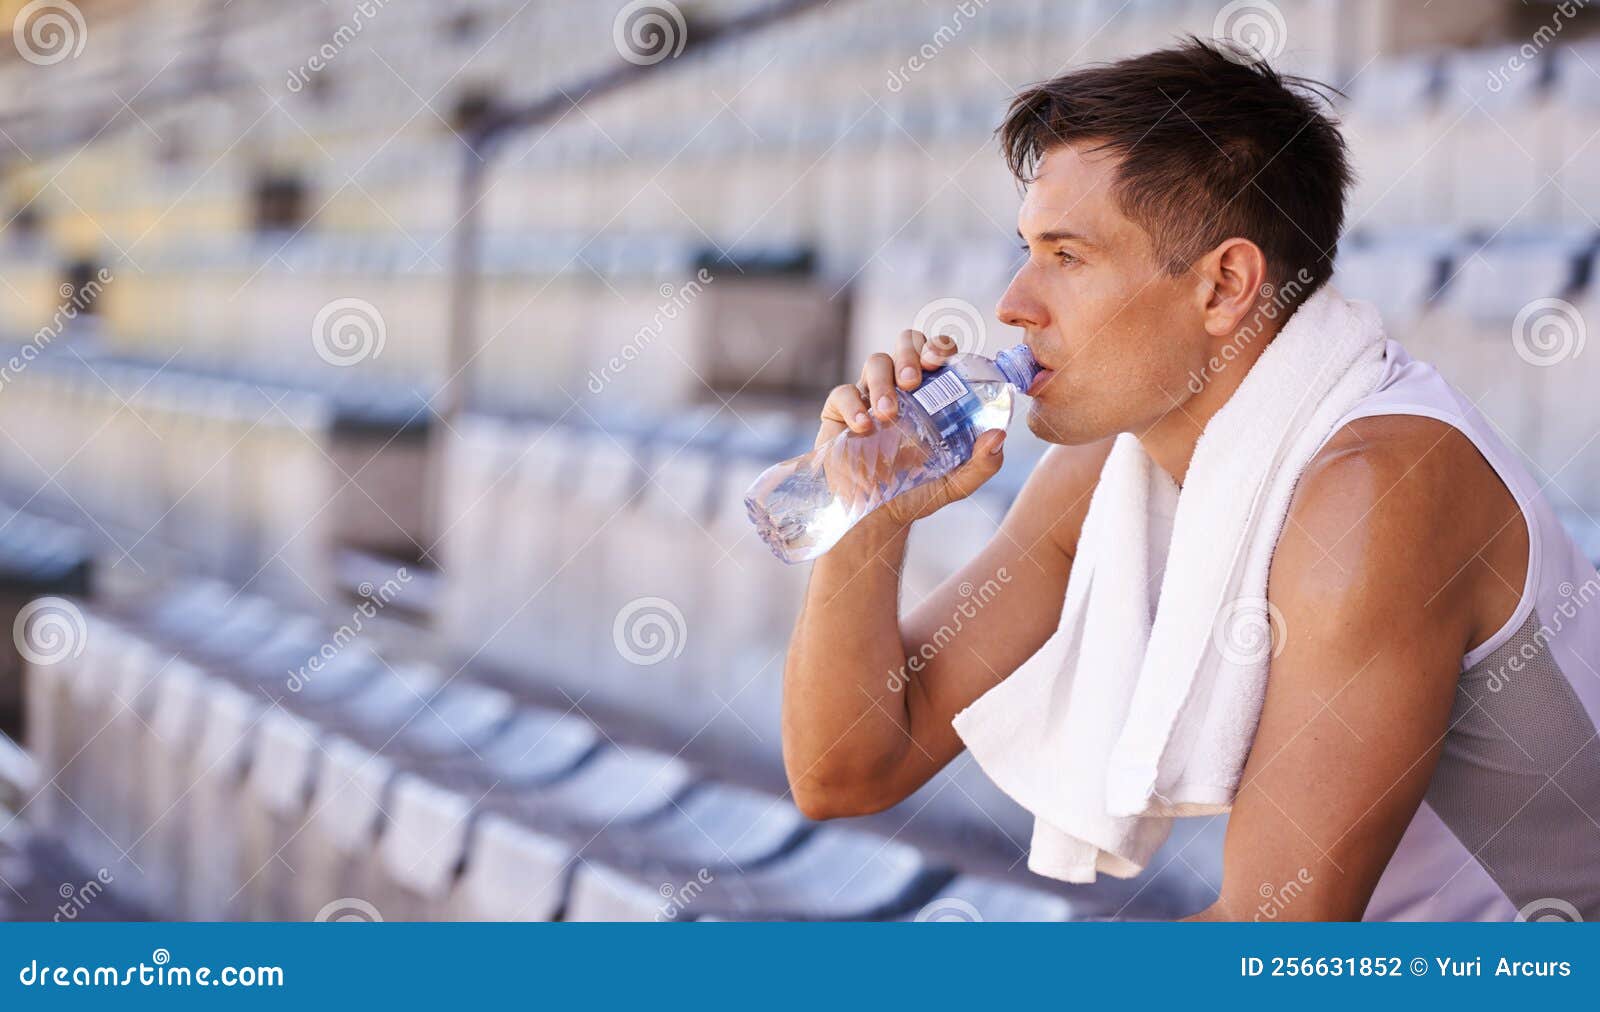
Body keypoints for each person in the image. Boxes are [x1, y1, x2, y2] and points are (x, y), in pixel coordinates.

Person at [780, 39, 1600, 921]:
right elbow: (849, 771)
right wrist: (870, 513)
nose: (1012, 303)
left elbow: (1275, 946)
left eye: (1067, 256)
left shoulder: (1375, 489)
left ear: (1225, 288)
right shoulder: (1116, 463)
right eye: (1025, 250)